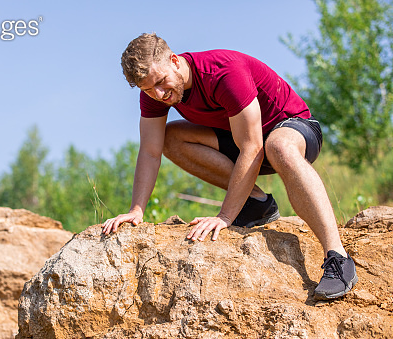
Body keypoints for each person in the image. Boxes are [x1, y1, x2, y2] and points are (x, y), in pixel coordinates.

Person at [102, 33, 357, 300]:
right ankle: (258, 204)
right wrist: (136, 210)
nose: (159, 94)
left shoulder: (222, 72)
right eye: (148, 90)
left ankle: (338, 257)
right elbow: (151, 151)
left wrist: (225, 216)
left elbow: (253, 147)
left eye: (161, 82)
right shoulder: (154, 93)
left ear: (174, 61)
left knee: (278, 146)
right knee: (170, 139)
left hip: (292, 130)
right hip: (245, 139)